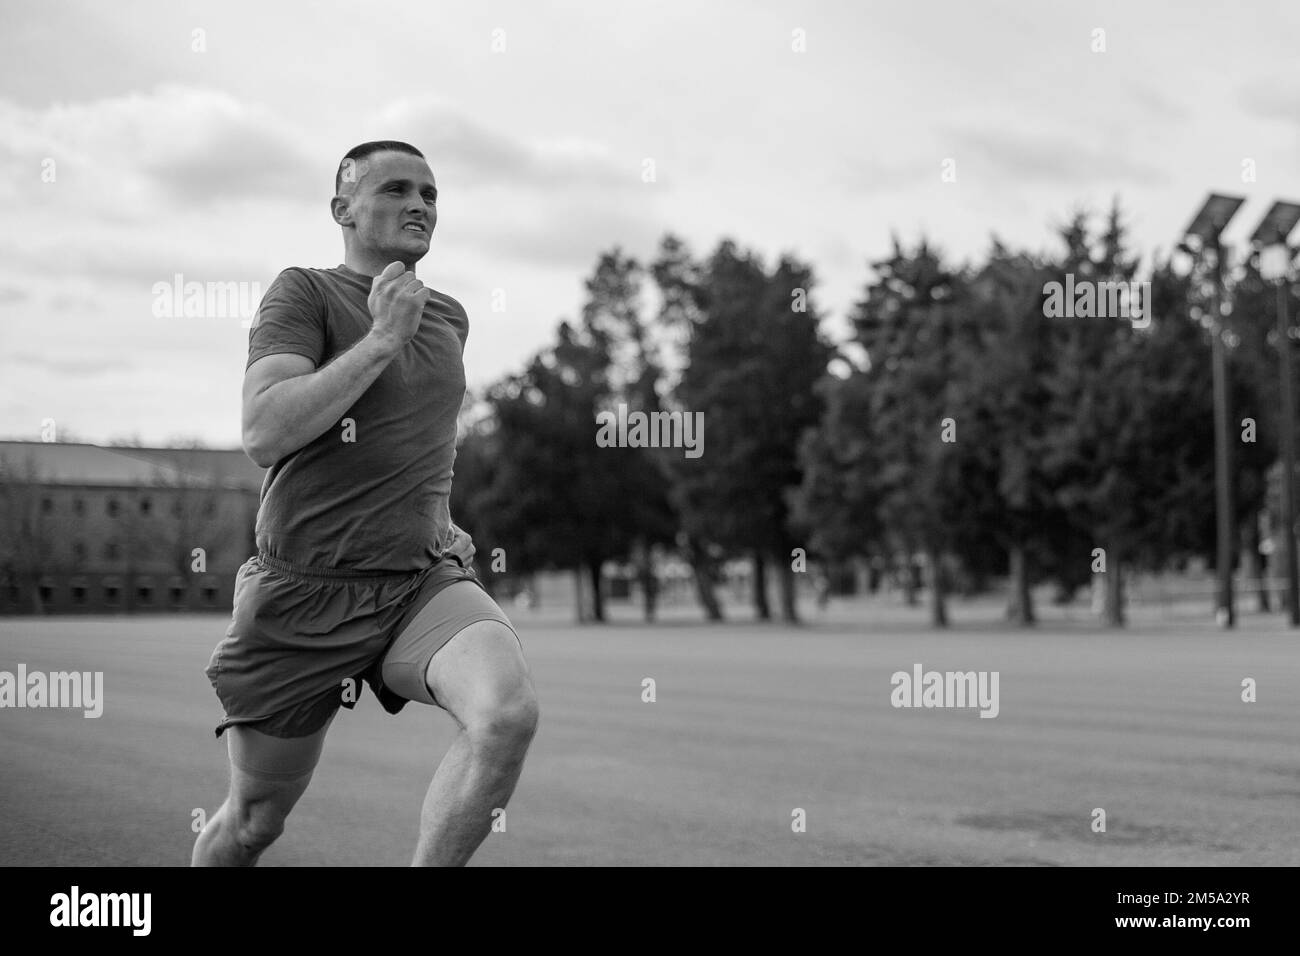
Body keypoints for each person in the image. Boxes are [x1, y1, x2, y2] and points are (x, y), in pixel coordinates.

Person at [193, 141, 538, 867]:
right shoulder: (304, 293)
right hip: (303, 596)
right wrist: (382, 338)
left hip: (419, 580)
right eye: (396, 190)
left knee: (505, 714)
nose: (419, 205)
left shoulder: (449, 317)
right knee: (254, 824)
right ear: (342, 209)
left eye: (431, 195)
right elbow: (264, 430)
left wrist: (437, 517)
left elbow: (420, 437)